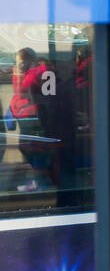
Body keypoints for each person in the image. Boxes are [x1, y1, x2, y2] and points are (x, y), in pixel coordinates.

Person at [6, 48, 52, 192]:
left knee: (33, 149)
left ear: (26, 61)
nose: (17, 65)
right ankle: (40, 180)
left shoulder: (36, 73)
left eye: (18, 62)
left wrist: (17, 74)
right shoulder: (34, 72)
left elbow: (20, 91)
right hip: (27, 115)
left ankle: (41, 182)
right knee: (27, 147)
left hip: (32, 117)